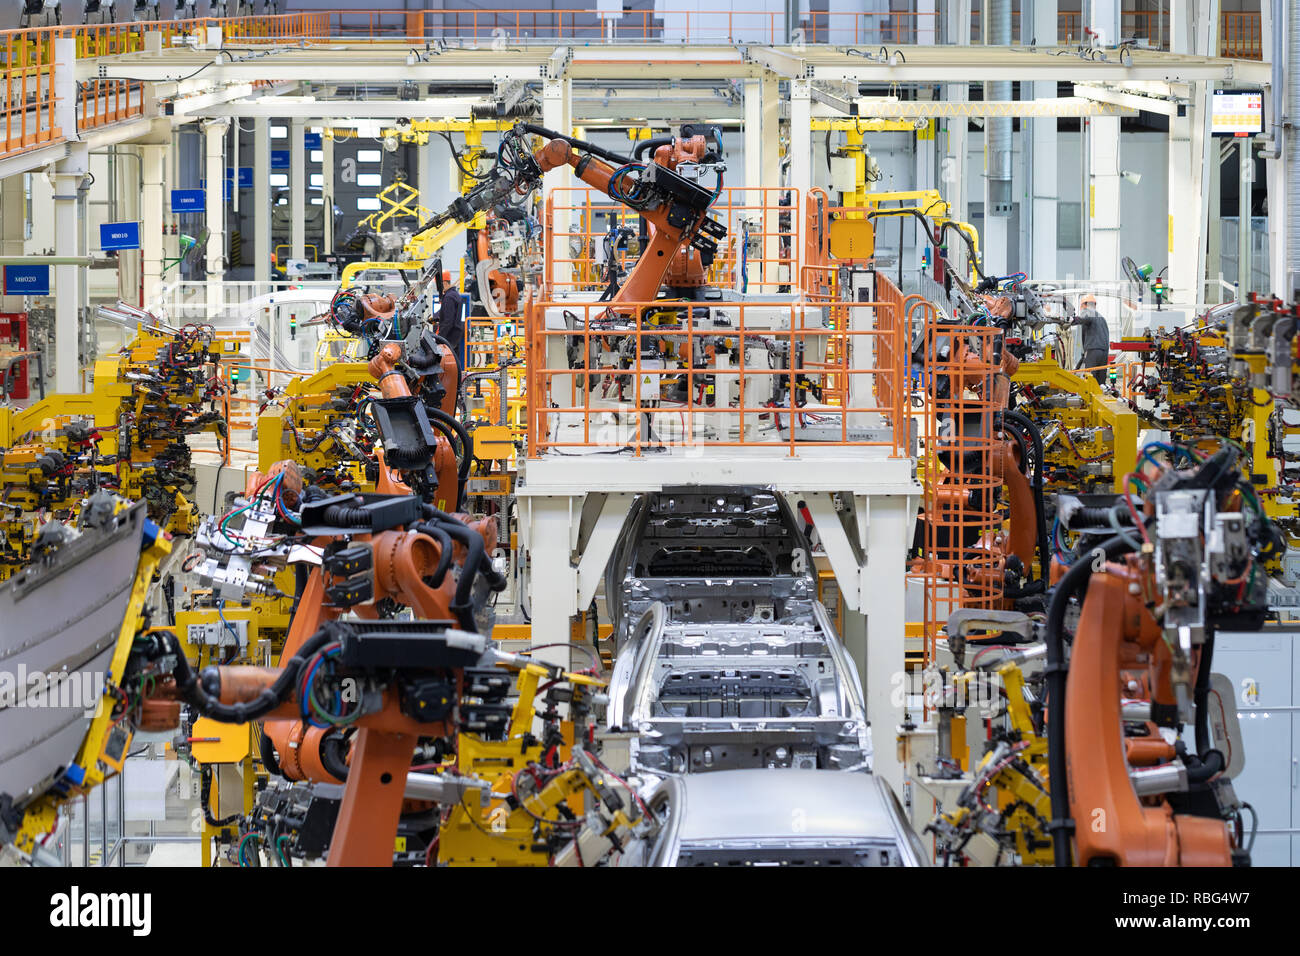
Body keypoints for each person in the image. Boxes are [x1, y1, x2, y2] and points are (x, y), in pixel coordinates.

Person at [1072, 294, 1110, 384]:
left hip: (1093, 351)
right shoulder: (1102, 317)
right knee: (1101, 381)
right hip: (1104, 352)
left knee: (1090, 379)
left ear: (1085, 305)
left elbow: (1083, 318)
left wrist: (1071, 320)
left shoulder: (1087, 312)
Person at [434, 270, 465, 372]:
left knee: (447, 365)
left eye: (439, 285)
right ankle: (457, 385)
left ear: (444, 283)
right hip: (456, 334)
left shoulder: (449, 298)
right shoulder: (455, 295)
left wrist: (439, 339)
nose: (438, 288)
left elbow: (448, 321)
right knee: (455, 363)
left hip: (449, 337)